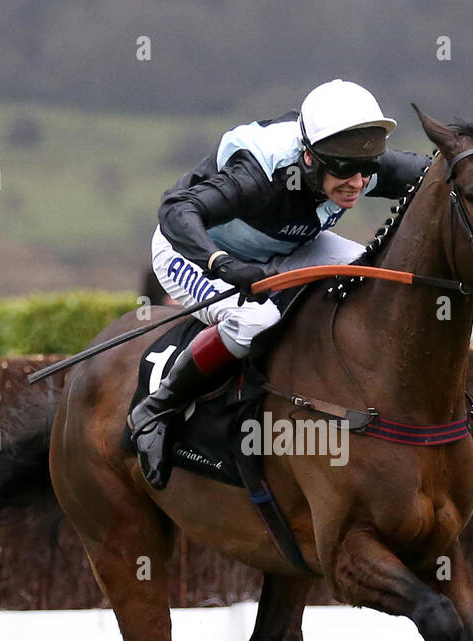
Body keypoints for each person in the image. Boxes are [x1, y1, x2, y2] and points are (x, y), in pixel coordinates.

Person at [128, 79, 431, 488]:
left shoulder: (356, 160)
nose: (358, 182)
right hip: (192, 252)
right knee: (254, 321)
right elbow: (177, 209)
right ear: (308, 157)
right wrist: (223, 264)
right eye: (343, 171)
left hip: (286, 246)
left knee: (368, 277)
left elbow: (445, 175)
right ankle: (157, 408)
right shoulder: (259, 174)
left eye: (367, 169)